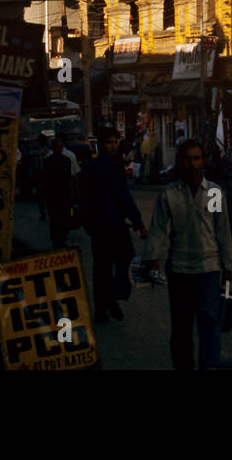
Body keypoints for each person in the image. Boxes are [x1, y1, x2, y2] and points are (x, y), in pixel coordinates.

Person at [142, 139, 232, 370]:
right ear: (180, 162)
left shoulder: (213, 193)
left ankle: (209, 366)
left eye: (196, 158)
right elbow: (158, 230)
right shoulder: (170, 194)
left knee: (209, 324)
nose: (192, 164)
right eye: (186, 159)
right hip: (179, 269)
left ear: (202, 161)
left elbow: (222, 231)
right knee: (181, 326)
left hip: (209, 268)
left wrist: (228, 266)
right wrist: (152, 260)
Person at [81, 130, 147, 321]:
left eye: (115, 142)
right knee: (122, 260)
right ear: (101, 145)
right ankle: (109, 301)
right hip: (110, 226)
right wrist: (139, 223)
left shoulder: (95, 166)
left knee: (102, 268)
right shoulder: (108, 167)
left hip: (102, 226)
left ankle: (103, 307)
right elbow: (123, 197)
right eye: (110, 143)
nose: (113, 146)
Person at [41, 137, 77, 248]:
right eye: (57, 147)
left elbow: (71, 177)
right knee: (54, 217)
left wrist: (73, 193)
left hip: (65, 193)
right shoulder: (48, 161)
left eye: (61, 147)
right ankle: (57, 237)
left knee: (65, 216)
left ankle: (63, 235)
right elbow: (46, 179)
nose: (59, 149)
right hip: (53, 194)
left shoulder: (67, 160)